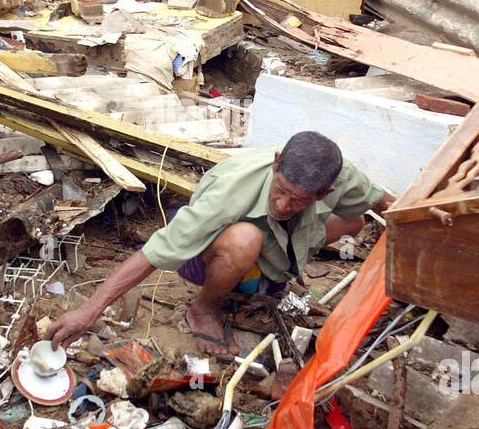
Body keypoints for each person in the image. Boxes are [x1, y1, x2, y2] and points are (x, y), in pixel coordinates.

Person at [47, 132, 395, 355]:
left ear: (326, 191)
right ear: (276, 164)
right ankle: (205, 307)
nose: (285, 205)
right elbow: (155, 251)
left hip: (276, 254)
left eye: (300, 200)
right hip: (206, 257)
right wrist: (90, 310)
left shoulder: (340, 176)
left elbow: (384, 203)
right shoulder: (230, 191)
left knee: (355, 219)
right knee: (246, 238)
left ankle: (272, 272)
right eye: (281, 191)